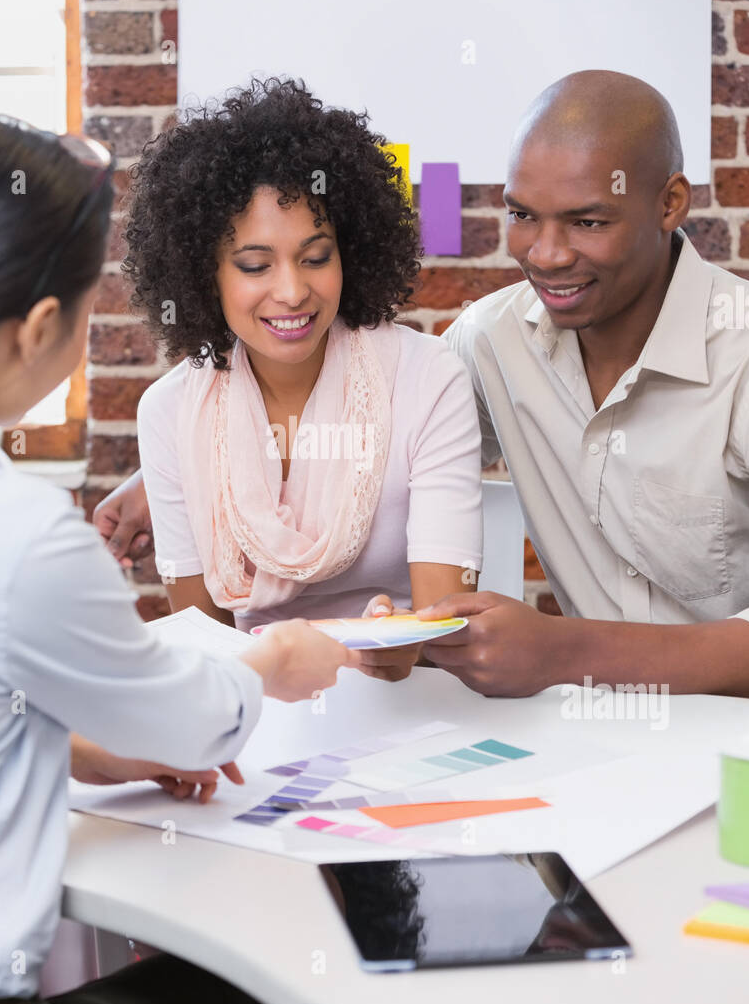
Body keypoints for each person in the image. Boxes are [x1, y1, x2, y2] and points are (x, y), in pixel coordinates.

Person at [0, 115, 355, 1004]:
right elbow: (193, 715)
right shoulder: (12, 534)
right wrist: (276, 660)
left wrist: (87, 752)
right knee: (248, 984)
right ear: (35, 328)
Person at [125, 77, 483, 685]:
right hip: (261, 704)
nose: (291, 292)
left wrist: (400, 651)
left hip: (413, 696)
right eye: (255, 265)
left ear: (352, 253)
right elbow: (199, 646)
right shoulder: (169, 412)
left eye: (316, 258)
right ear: (201, 272)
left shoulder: (428, 380)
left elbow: (443, 628)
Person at [420, 70, 749, 695]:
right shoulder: (491, 340)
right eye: (523, 215)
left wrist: (568, 651)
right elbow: (397, 469)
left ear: (669, 203)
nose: (545, 255)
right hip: (584, 747)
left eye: (588, 222)